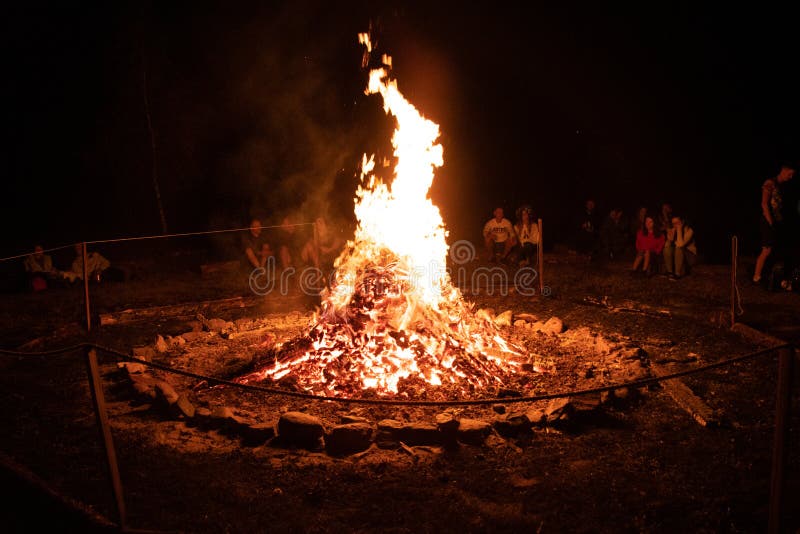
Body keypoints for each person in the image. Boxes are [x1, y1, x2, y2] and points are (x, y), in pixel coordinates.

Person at [753, 163, 795, 286]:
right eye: (790, 174)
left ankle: (771, 275)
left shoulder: (782, 186)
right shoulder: (770, 183)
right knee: (767, 249)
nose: (791, 177)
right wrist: (770, 221)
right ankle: (756, 276)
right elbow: (764, 203)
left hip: (777, 221)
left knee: (775, 249)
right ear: (783, 170)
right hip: (768, 221)